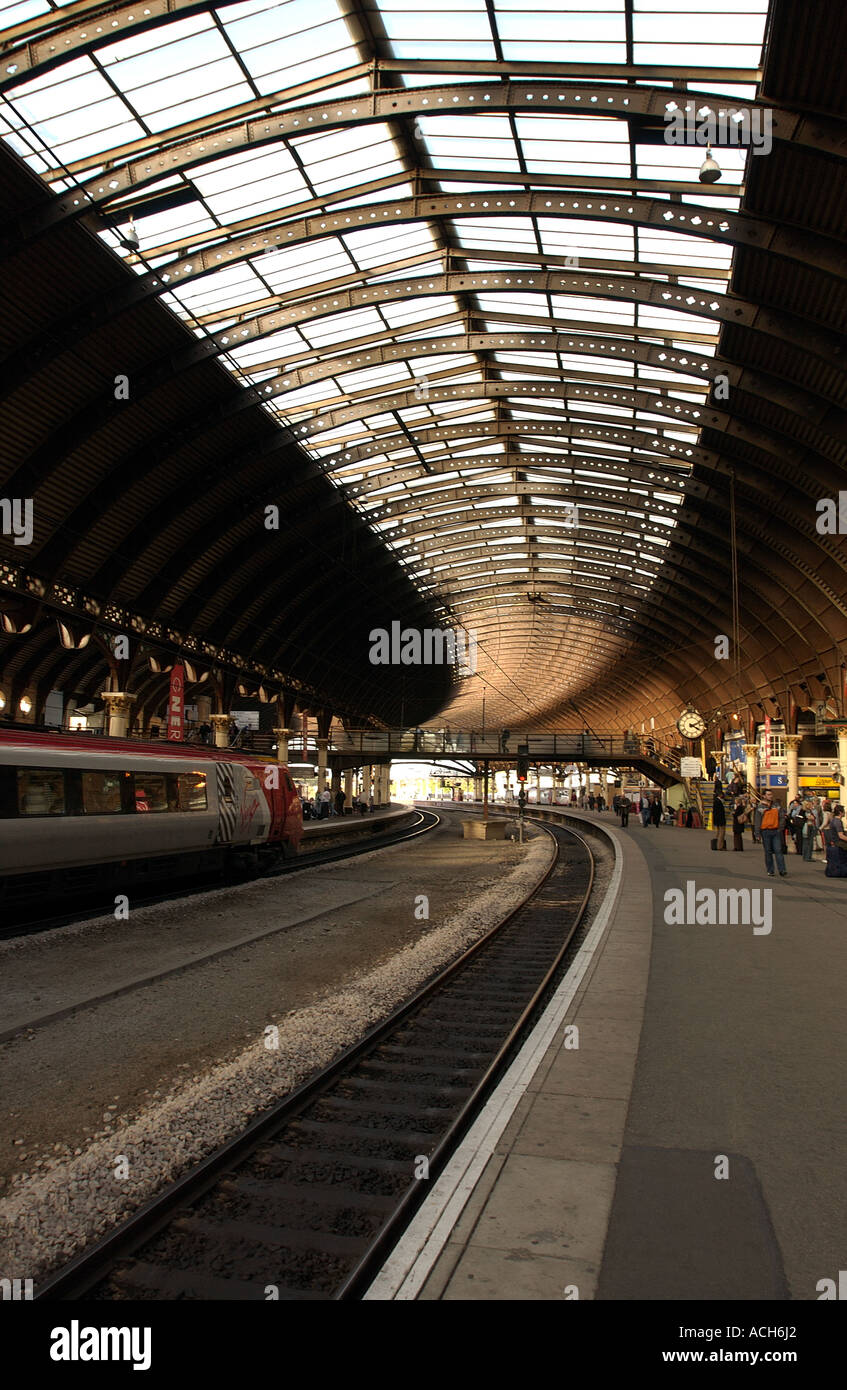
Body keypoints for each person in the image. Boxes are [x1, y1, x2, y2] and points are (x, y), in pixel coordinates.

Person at [753, 790, 787, 876]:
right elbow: (757, 821)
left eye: (771, 794)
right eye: (768, 794)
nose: (771, 796)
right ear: (764, 796)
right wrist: (757, 833)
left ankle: (782, 870)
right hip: (765, 831)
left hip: (776, 831)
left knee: (778, 850)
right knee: (768, 851)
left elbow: (782, 817)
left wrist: (780, 828)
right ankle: (770, 870)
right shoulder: (760, 807)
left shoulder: (777, 806)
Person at [824, 804, 847, 876]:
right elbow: (841, 835)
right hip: (839, 843)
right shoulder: (838, 822)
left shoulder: (833, 820)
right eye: (844, 811)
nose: (845, 813)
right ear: (840, 812)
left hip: (835, 842)